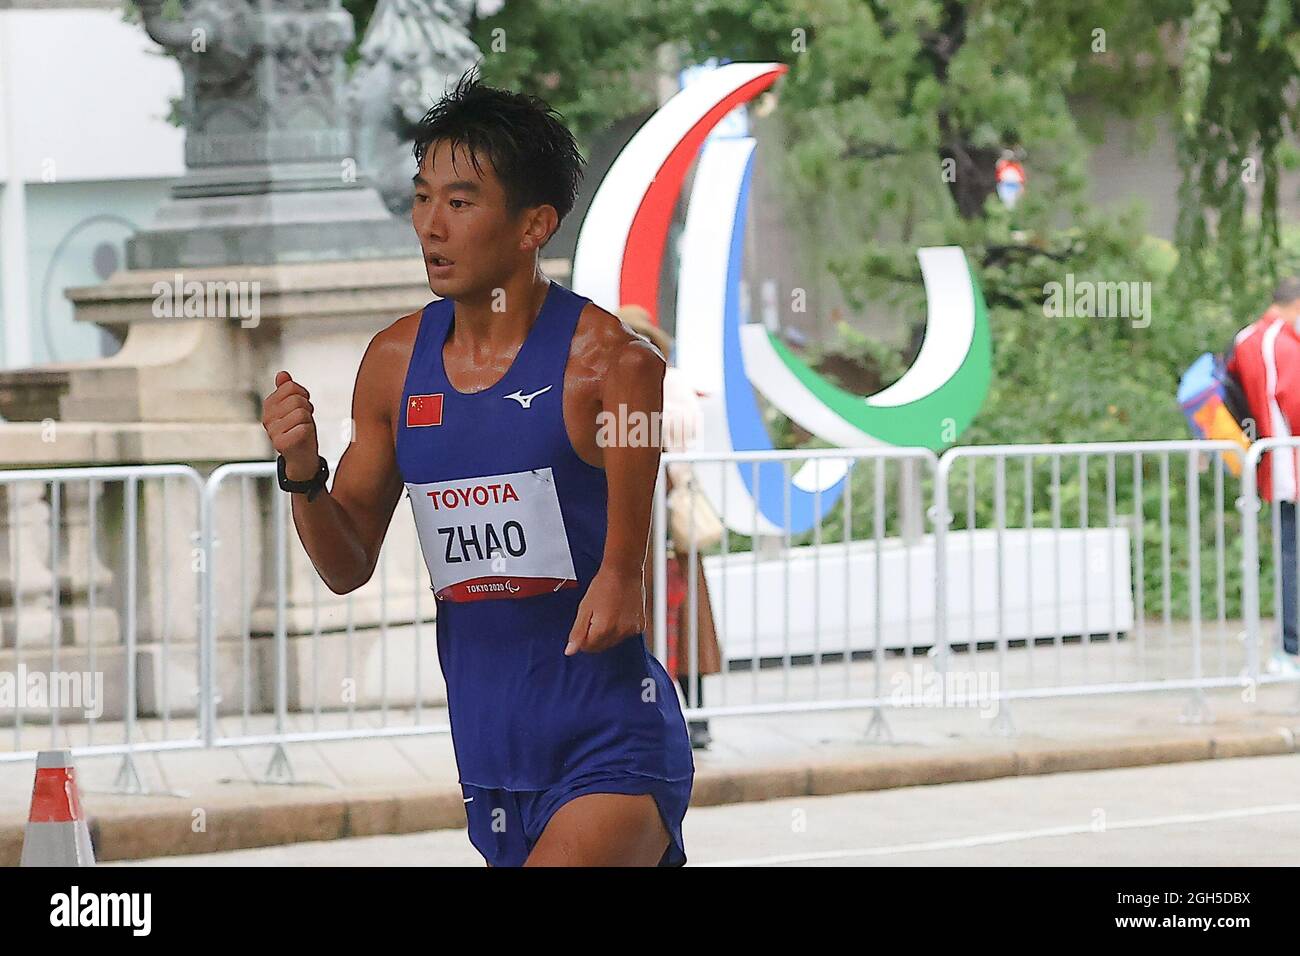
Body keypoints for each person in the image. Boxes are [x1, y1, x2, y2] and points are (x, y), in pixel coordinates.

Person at [260, 67, 694, 866]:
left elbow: (631, 544)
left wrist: (619, 571)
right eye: (422, 198)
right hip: (491, 761)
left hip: (610, 747)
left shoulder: (608, 365)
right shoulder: (395, 362)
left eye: (460, 203)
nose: (431, 226)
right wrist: (302, 473)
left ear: (535, 225)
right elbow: (346, 564)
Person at [617, 305, 724, 750]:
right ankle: (659, 716)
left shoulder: (665, 388)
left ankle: (694, 717)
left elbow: (673, 437)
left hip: (665, 523)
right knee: (646, 622)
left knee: (684, 620)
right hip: (636, 528)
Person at [1226, 277, 1300, 674]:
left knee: (1287, 553)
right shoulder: (1280, 343)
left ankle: (1286, 647)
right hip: (1290, 463)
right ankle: (1289, 649)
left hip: (1267, 461)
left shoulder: (1245, 338)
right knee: (1293, 557)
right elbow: (1294, 399)